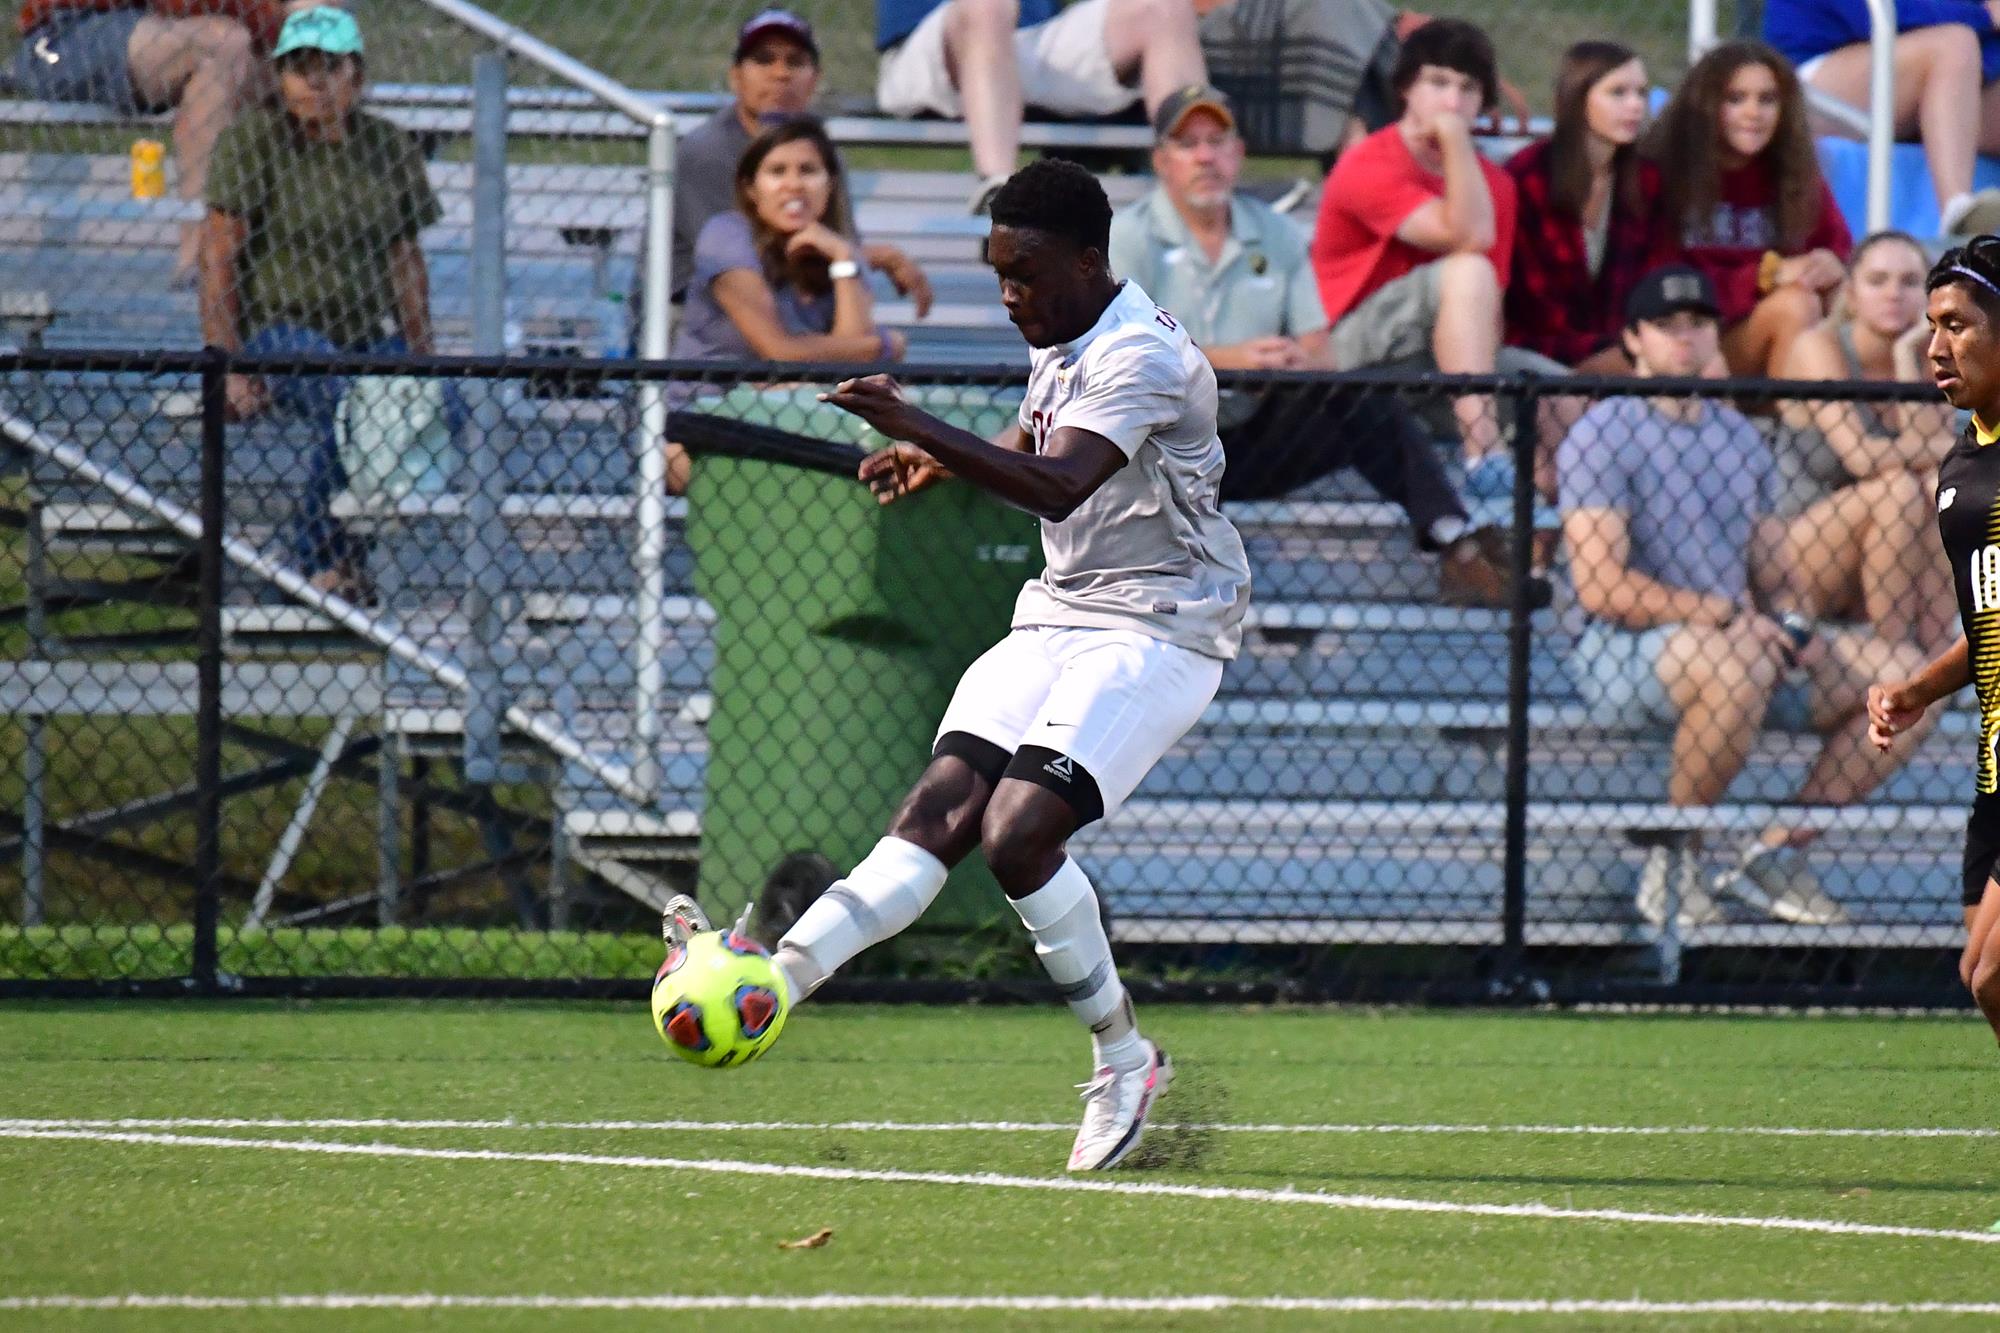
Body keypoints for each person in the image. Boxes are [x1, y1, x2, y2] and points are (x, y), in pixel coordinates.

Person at [670, 159, 1251, 1169]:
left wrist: (913, 422)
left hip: (1161, 623)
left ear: (1084, 259)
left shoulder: (1142, 357)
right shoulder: (1063, 329)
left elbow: (1061, 482)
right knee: (931, 818)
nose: (1008, 296)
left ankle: (1123, 1059)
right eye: (997, 276)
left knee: (1016, 836)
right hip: (1061, 612)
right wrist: (944, 454)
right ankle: (771, 982)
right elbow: (1037, 427)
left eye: (1022, 276)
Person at [1560, 265, 1934, 928]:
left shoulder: (1736, 436)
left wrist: (1792, 624)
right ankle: (1675, 863)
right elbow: (1601, 585)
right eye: (1666, 327)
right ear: (1634, 340)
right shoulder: (1603, 430)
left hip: (1739, 642)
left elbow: (1777, 571)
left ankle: (1772, 855)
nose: (1685, 339)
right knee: (1737, 664)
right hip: (1623, 651)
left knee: (1909, 682)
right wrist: (1727, 615)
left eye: (1698, 324)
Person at [1108, 84, 1547, 609]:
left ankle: (1457, 544)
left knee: (1361, 395)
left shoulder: (1276, 233)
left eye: (1218, 141)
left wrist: (1295, 358)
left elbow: (1318, 341)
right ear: (1160, 161)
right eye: (1188, 144)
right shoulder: (1129, 236)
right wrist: (1229, 359)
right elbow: (1123, 352)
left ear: (1239, 154)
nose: (1205, 156)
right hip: (1164, 452)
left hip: (1251, 437)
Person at [198, 5, 442, 599]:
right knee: (350, 403)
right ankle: (315, 563)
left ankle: (340, 558)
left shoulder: (386, 146)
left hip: (363, 330)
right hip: (278, 331)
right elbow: (219, 256)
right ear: (279, 76)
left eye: (329, 67)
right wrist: (226, 361)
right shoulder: (254, 140)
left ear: (356, 75)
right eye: (298, 67)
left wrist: (422, 355)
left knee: (431, 405)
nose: (314, 81)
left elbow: (405, 259)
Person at [1307, 18, 1568, 502]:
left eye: (1468, 88)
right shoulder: (1369, 161)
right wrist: (1453, 139)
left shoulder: (1496, 186)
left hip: (1442, 371)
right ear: (1406, 87)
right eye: (1438, 82)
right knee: (1468, 268)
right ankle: (1484, 458)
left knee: (1565, 394)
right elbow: (1467, 236)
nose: (1453, 101)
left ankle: (1532, 555)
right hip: (1352, 358)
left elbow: (1488, 312)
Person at [1868, 234, 2000, 1046]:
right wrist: (1917, 689)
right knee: (1978, 979)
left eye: (1958, 324)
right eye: (1930, 325)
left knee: (1994, 972)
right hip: (1996, 755)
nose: (1935, 346)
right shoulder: (1961, 463)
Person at [669, 117, 905, 489]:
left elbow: (853, 362)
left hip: (797, 424)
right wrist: (884, 344)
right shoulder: (726, 234)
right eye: (777, 171)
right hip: (702, 426)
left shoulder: (835, 250)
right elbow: (778, 350)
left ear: (830, 184)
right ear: (751, 188)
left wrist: (843, 257)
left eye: (809, 171)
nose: (794, 184)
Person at [658, 10, 929, 322]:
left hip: (796, 298)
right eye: (763, 59)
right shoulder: (707, 151)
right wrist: (878, 256)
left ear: (815, 78)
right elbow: (746, 262)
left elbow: (842, 245)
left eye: (795, 62)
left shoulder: (818, 150)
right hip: (703, 312)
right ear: (736, 76)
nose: (780, 73)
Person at [11, 0, 303, 279]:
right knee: (222, 42)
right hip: (65, 34)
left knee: (297, 67)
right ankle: (200, 261)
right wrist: (284, 28)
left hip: (158, 28)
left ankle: (293, 253)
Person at [1773, 231, 1960, 649]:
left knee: (1937, 489)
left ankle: (1937, 654)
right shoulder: (1817, 347)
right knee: (1896, 489)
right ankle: (1894, 654)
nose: (1894, 293)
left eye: (1911, 282)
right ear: (1851, 295)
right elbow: (1862, 457)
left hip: (1890, 559)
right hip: (1798, 557)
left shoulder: (1931, 358)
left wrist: (1905, 358)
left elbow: (1939, 468)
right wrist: (1943, 452)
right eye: (1878, 281)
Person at [874, 0, 1208, 212]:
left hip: (1030, 39)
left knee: (1165, 8)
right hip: (931, 45)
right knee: (987, 7)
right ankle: (1001, 196)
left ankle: (1199, 177)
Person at [1645, 40, 1853, 378]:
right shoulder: (1664, 175)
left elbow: (1837, 247)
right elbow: (1660, 282)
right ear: (1706, 105)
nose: (1754, 112)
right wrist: (1764, 276)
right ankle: (1794, 426)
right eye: (1735, 99)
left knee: (1851, 295)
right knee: (1796, 304)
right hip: (1689, 341)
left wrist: (1831, 265)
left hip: (1773, 338)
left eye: (1767, 99)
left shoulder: (1797, 175)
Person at [1505, 41, 1677, 373]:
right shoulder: (1527, 177)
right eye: (1618, 93)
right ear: (1577, 98)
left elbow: (1657, 280)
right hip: (1539, 352)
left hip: (1626, 350)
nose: (1635, 105)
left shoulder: (1648, 181)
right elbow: (1532, 308)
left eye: (1641, 93)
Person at [1763, 0, 2000, 237]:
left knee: (1965, 55)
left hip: (1904, 75)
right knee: (1954, 45)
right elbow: (1886, 17)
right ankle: (1956, 208)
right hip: (1805, 82)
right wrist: (1985, 17)